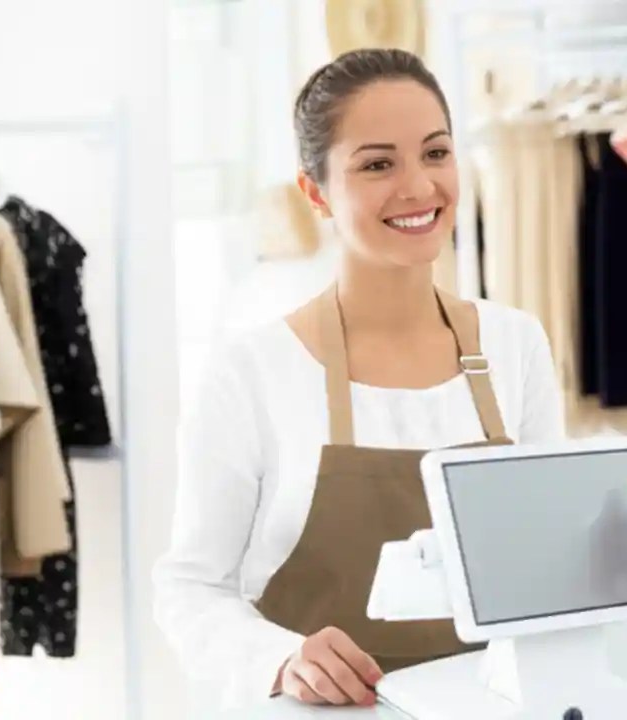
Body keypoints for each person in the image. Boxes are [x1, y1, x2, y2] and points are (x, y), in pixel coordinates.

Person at [153, 49, 564, 709]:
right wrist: (281, 659)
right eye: (377, 164)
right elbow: (190, 590)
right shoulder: (250, 373)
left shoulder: (516, 344)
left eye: (436, 153)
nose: (419, 187)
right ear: (316, 192)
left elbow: (547, 559)